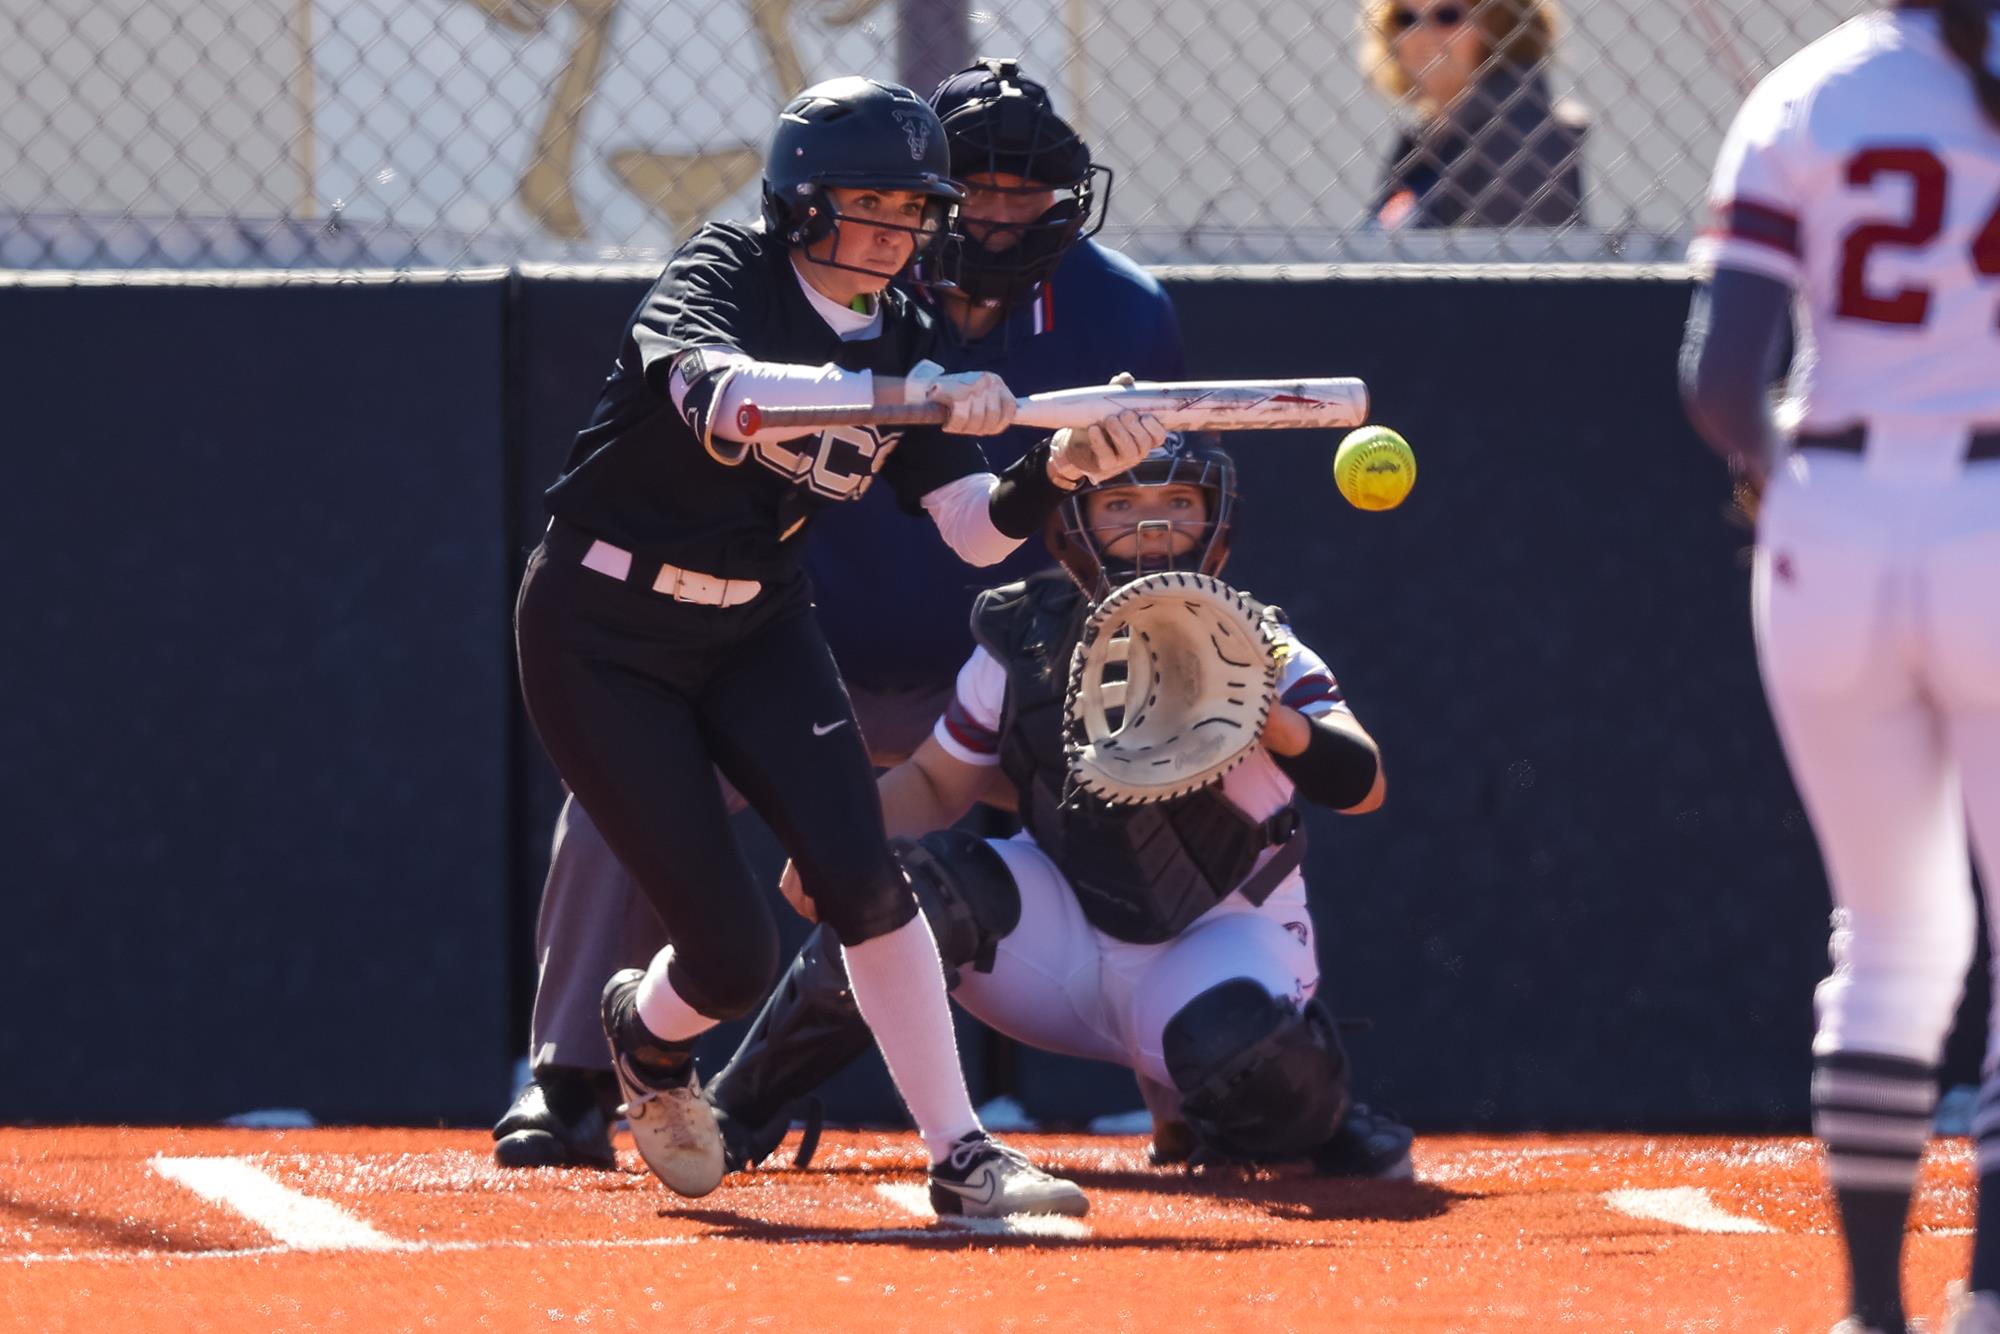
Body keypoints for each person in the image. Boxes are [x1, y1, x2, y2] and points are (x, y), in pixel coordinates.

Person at [495, 59, 1188, 1172]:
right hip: (602, 626)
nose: (887, 232)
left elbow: (969, 524)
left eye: (910, 210)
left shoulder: (907, 323)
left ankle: (961, 1152)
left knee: (865, 874)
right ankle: (622, 1041)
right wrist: (905, 393)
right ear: (800, 203)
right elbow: (723, 393)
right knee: (726, 958)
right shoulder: (726, 268)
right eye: (863, 205)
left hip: (756, 628)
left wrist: (1054, 466)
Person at [702, 436, 1416, 1183]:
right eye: (1119, 503)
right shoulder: (1026, 640)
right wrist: (835, 844)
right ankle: (734, 1113)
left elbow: (1362, 785)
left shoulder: (1265, 644)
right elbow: (938, 786)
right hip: (1058, 944)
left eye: (1177, 502)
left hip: (1223, 937)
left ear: (1216, 522)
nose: (1150, 525)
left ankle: (1296, 1115)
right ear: (1074, 520)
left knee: (1241, 1051)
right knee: (901, 887)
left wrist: (1266, 711)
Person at [1678, 3, 2000, 1330]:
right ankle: (1988, 1296)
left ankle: (1874, 1310)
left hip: (1831, 519)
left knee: (1891, 935)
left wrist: (1771, 476)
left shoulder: (1808, 93)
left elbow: (1721, 381)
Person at [1360, 0, 1587, 229]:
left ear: (1499, 27)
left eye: (1447, 15)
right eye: (1406, 19)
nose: (1422, 33)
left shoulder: (1522, 138)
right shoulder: (1426, 139)